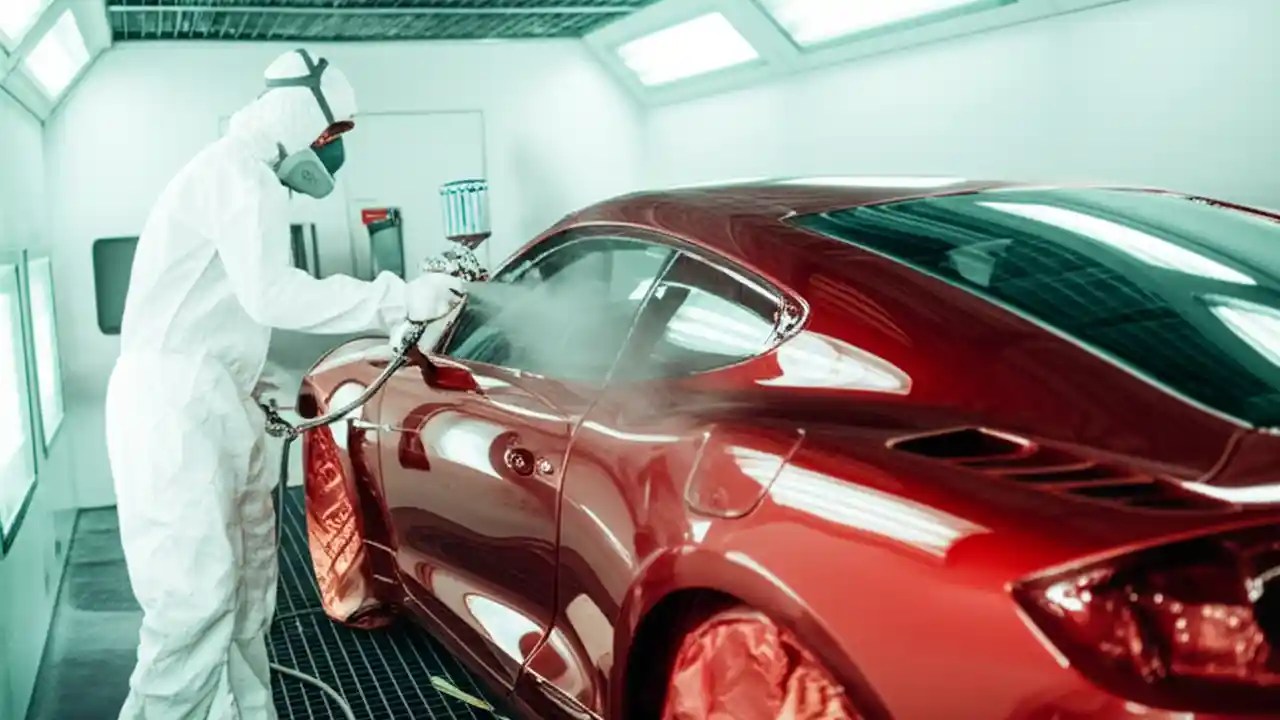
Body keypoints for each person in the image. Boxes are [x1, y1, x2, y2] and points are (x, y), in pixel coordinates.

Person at [104, 48, 462, 719]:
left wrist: (256, 380)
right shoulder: (238, 175)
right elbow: (272, 294)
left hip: (217, 396)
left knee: (247, 589)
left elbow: (223, 307)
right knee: (193, 603)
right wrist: (398, 298)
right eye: (333, 133)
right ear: (301, 117)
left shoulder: (244, 175)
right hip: (173, 410)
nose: (333, 150)